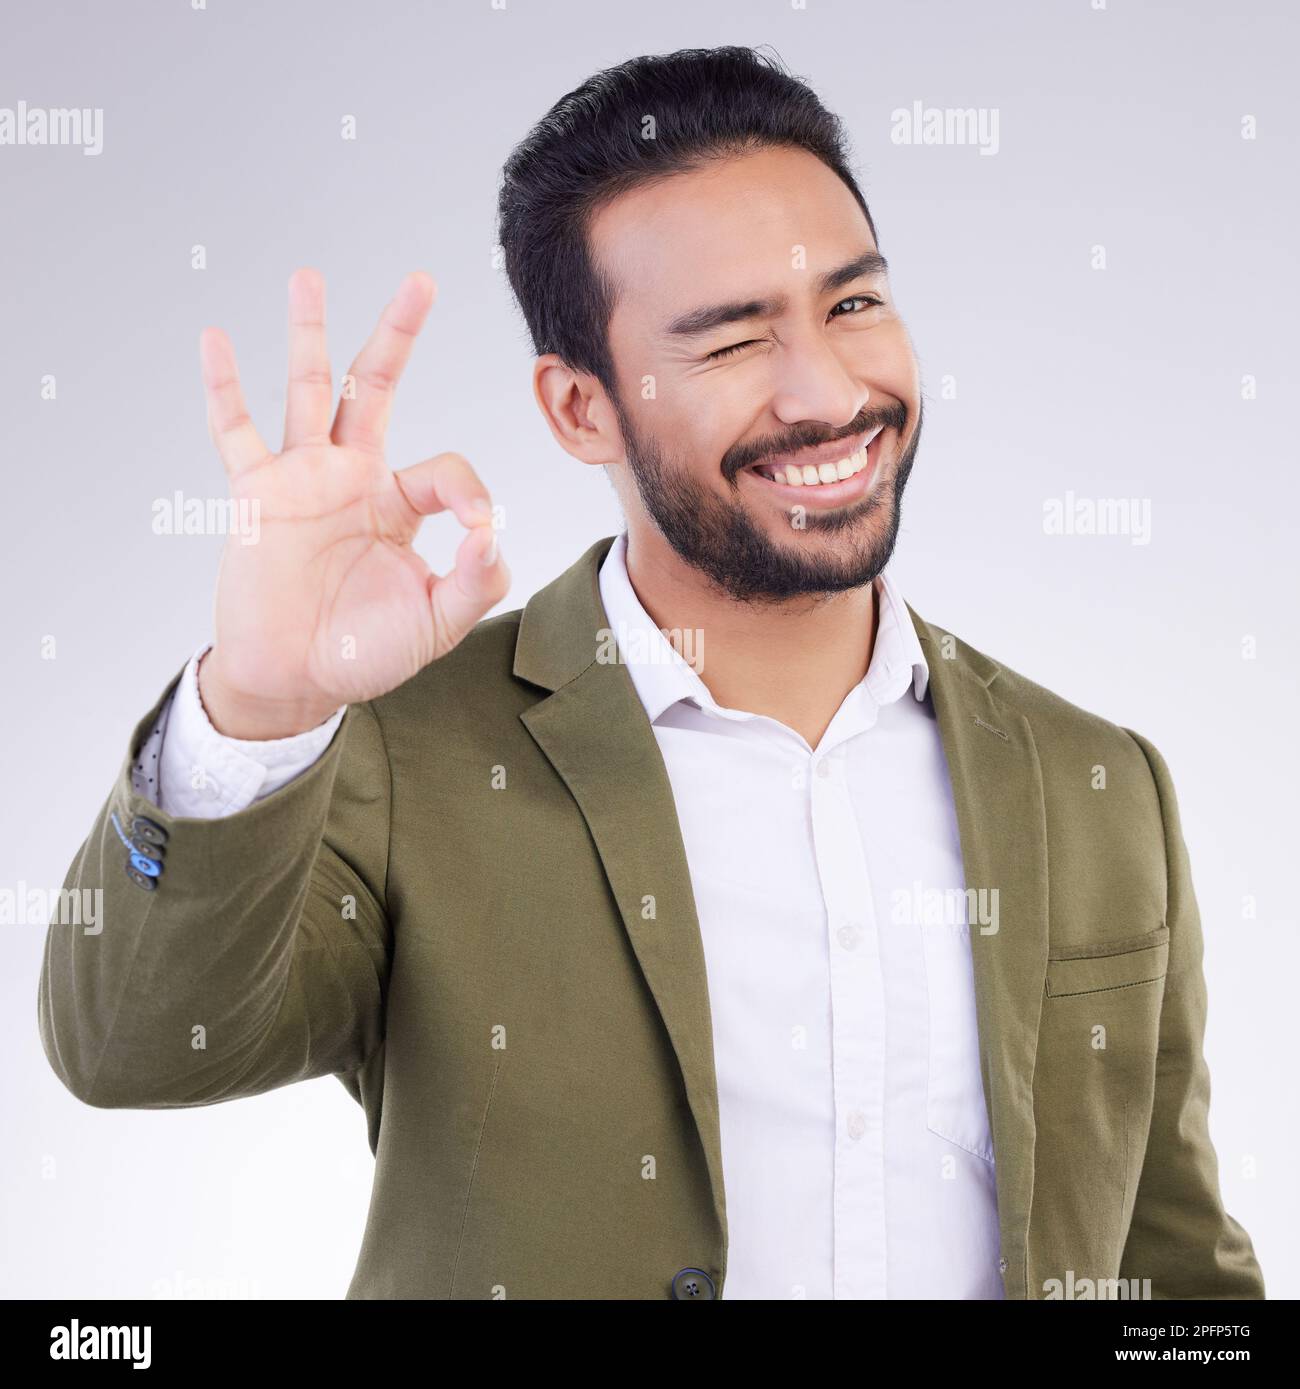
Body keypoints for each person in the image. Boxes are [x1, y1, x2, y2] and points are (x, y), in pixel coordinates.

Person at [38, 46, 1264, 1301]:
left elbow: (1169, 1276)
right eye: (732, 342)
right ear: (580, 410)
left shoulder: (1098, 779)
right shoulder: (403, 752)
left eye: (851, 306)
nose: (826, 393)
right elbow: (133, 1046)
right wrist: (259, 700)